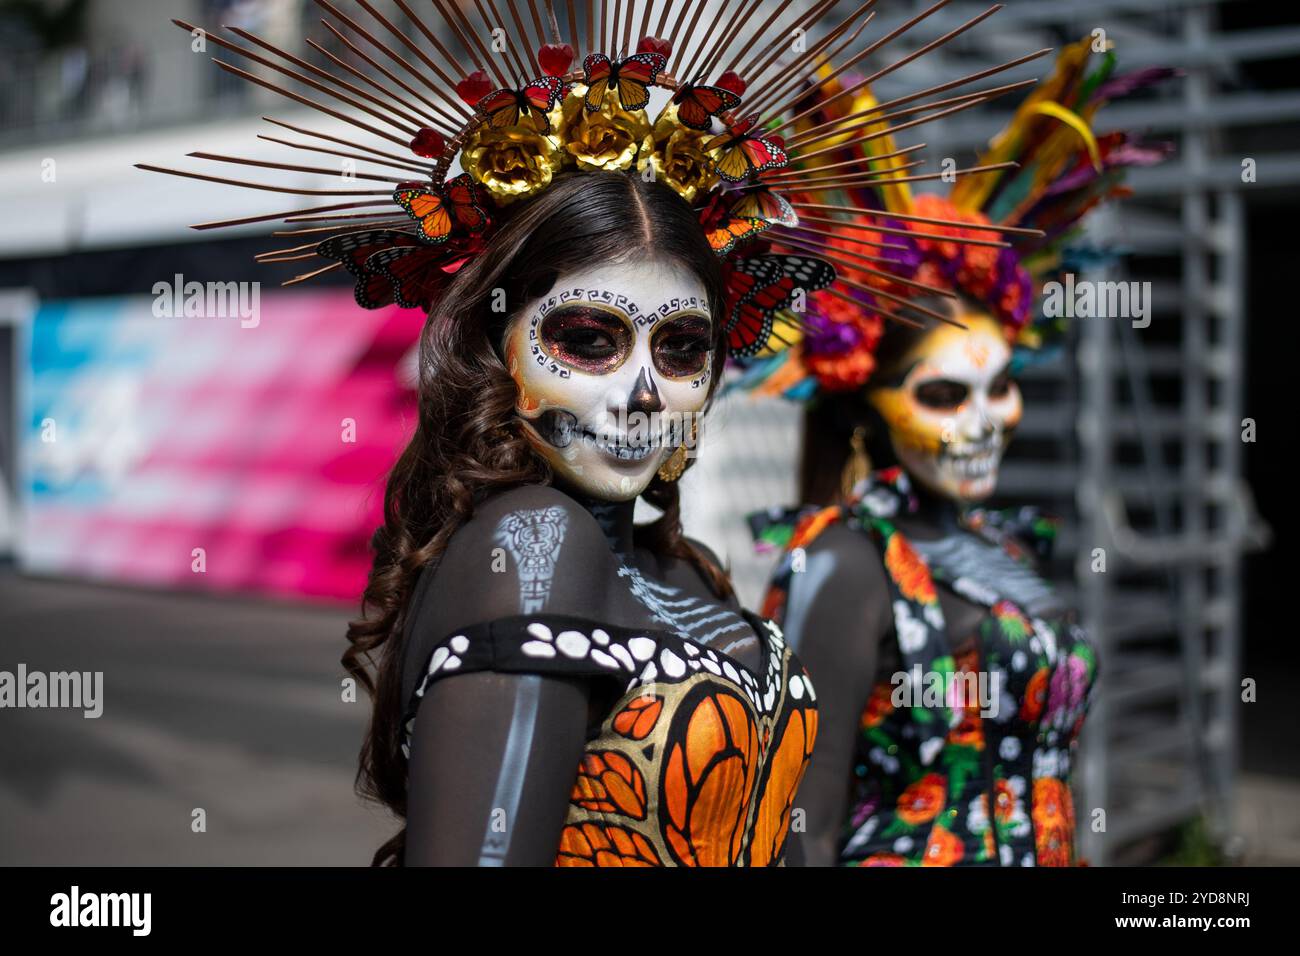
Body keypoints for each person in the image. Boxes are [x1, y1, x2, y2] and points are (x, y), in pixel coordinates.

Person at [141, 0, 1042, 865]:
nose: (643, 393)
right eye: (589, 339)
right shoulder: (537, 541)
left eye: (683, 347)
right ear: (500, 346)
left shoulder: (685, 567)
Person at [741, 38, 1172, 866]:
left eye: (999, 387)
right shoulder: (843, 562)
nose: (984, 421)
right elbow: (801, 823)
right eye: (943, 396)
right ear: (869, 401)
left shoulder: (999, 546)